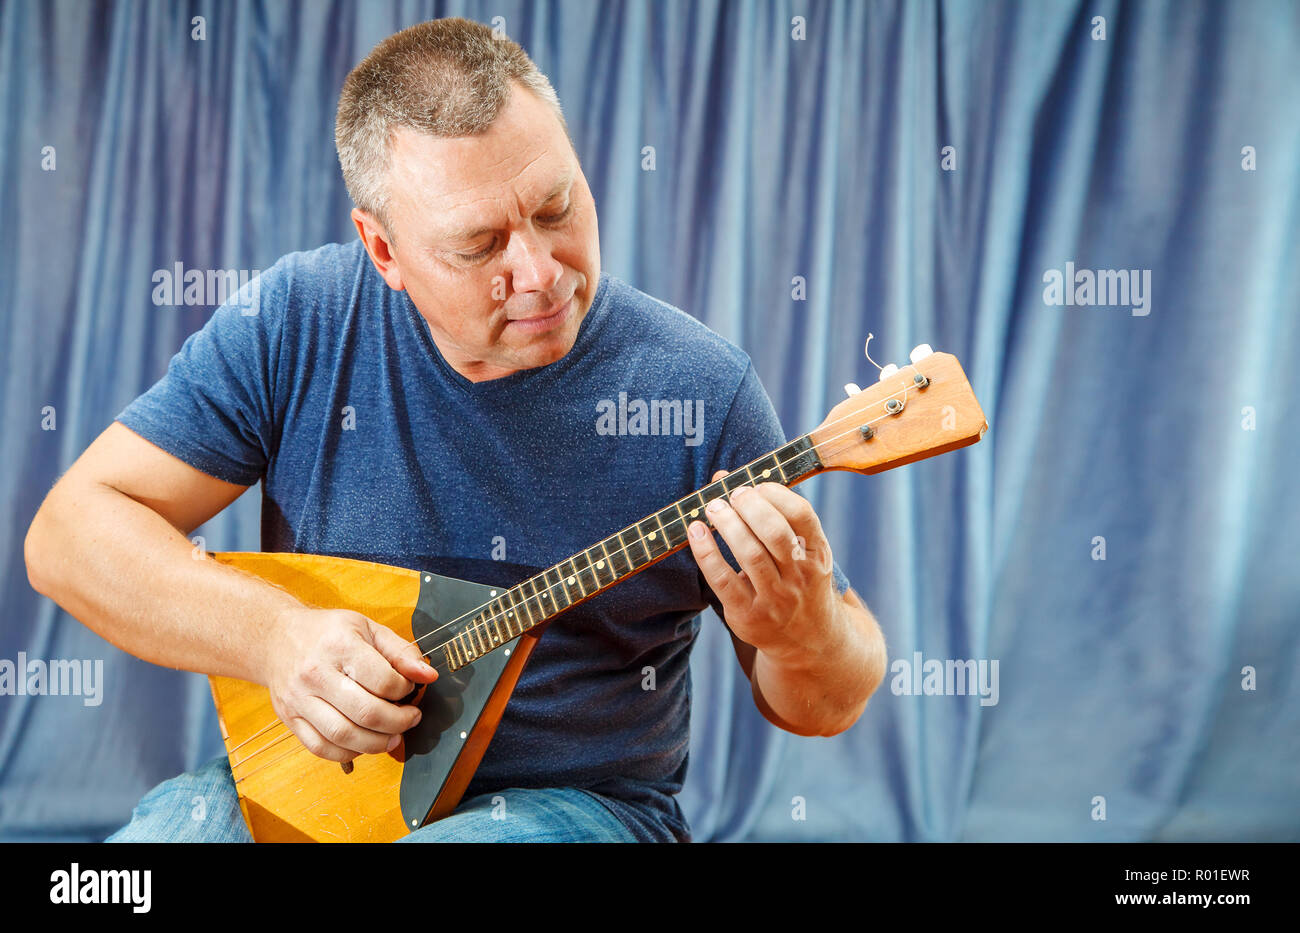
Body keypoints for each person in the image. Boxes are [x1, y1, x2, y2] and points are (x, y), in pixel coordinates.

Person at [24, 17, 886, 843]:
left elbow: (824, 700)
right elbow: (69, 535)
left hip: (579, 805)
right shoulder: (298, 322)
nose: (541, 274)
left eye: (556, 208)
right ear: (384, 250)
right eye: (479, 247)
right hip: (325, 781)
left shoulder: (700, 388)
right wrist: (275, 637)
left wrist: (803, 631)